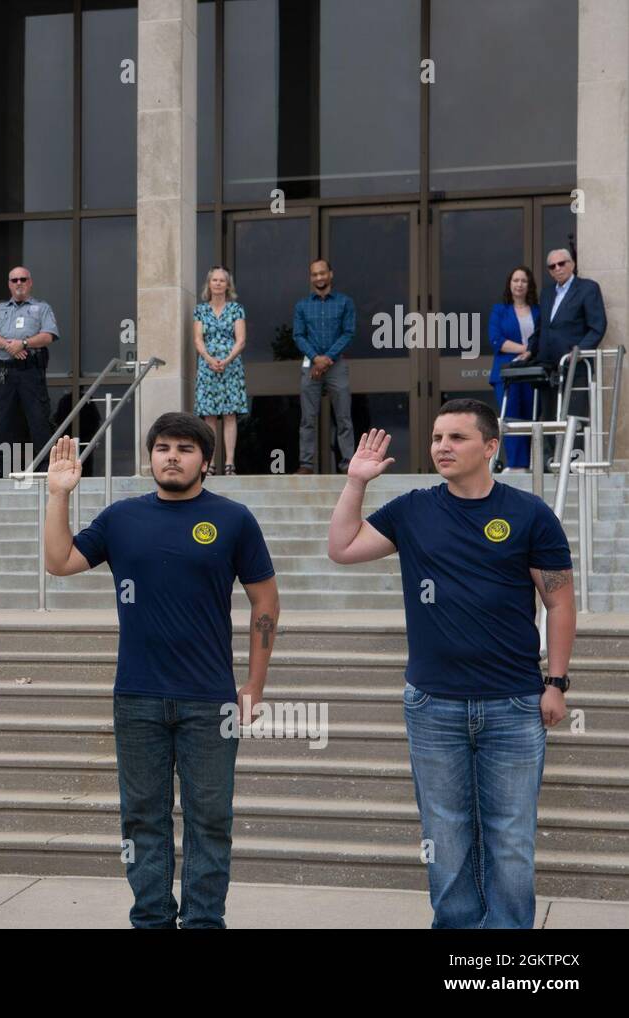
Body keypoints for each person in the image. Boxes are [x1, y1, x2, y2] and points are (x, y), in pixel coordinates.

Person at [327, 402, 574, 928]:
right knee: (445, 832)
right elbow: (342, 548)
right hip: (433, 702)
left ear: (490, 447)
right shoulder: (412, 510)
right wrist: (355, 484)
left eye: (457, 437)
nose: (442, 445)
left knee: (510, 834)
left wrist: (555, 681)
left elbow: (558, 602)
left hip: (513, 700)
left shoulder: (529, 513)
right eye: (437, 436)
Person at [43, 413, 280, 929]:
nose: (173, 456)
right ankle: (150, 919)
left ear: (206, 460)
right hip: (138, 697)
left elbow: (265, 603)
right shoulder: (121, 518)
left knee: (210, 821)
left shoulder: (233, 518)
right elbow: (58, 562)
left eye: (186, 449)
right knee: (142, 818)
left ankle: (202, 921)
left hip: (208, 699)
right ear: (150, 456)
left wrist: (254, 686)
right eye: (164, 447)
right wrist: (59, 494)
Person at [521, 248, 607, 464]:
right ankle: (552, 461)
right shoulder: (548, 293)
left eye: (562, 263)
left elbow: (597, 326)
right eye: (552, 266)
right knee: (549, 414)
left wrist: (580, 351)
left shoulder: (588, 288)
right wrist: (530, 350)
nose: (558, 268)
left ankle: (573, 462)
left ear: (572, 264)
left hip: (575, 365)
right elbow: (542, 328)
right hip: (548, 365)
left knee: (573, 414)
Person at [0, 266, 59, 468]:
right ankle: (1, 470)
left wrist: (23, 344)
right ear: (9, 284)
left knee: (38, 419)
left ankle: (46, 469)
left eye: (23, 279)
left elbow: (48, 335)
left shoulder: (42, 308)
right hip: (5, 371)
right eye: (14, 280)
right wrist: (10, 346)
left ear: (30, 282)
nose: (19, 283)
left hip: (30, 370)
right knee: (4, 420)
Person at [293, 258, 355, 474]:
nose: (318, 277)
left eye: (322, 273)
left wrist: (327, 358)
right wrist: (315, 358)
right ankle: (306, 464)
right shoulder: (302, 305)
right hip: (311, 365)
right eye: (314, 274)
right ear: (311, 278)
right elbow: (298, 335)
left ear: (330, 274)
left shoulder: (345, 302)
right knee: (307, 418)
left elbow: (348, 333)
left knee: (343, 417)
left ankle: (348, 462)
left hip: (336, 365)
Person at [193, 267, 248, 475]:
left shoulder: (236, 309)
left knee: (229, 415)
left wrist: (226, 360)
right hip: (207, 367)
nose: (217, 283)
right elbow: (198, 339)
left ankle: (230, 463)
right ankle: (210, 463)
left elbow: (241, 340)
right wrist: (209, 359)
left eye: (222, 280)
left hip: (231, 367)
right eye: (214, 280)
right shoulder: (200, 310)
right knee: (209, 417)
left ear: (227, 285)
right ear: (209, 284)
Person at [488, 266, 540, 471]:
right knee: (510, 416)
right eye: (515, 280)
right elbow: (496, 340)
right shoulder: (499, 310)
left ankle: (530, 464)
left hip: (532, 371)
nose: (519, 284)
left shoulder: (537, 310)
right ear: (509, 284)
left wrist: (531, 353)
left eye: (524, 281)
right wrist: (527, 348)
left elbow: (544, 336)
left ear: (529, 285)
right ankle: (516, 465)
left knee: (530, 416)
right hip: (507, 372)